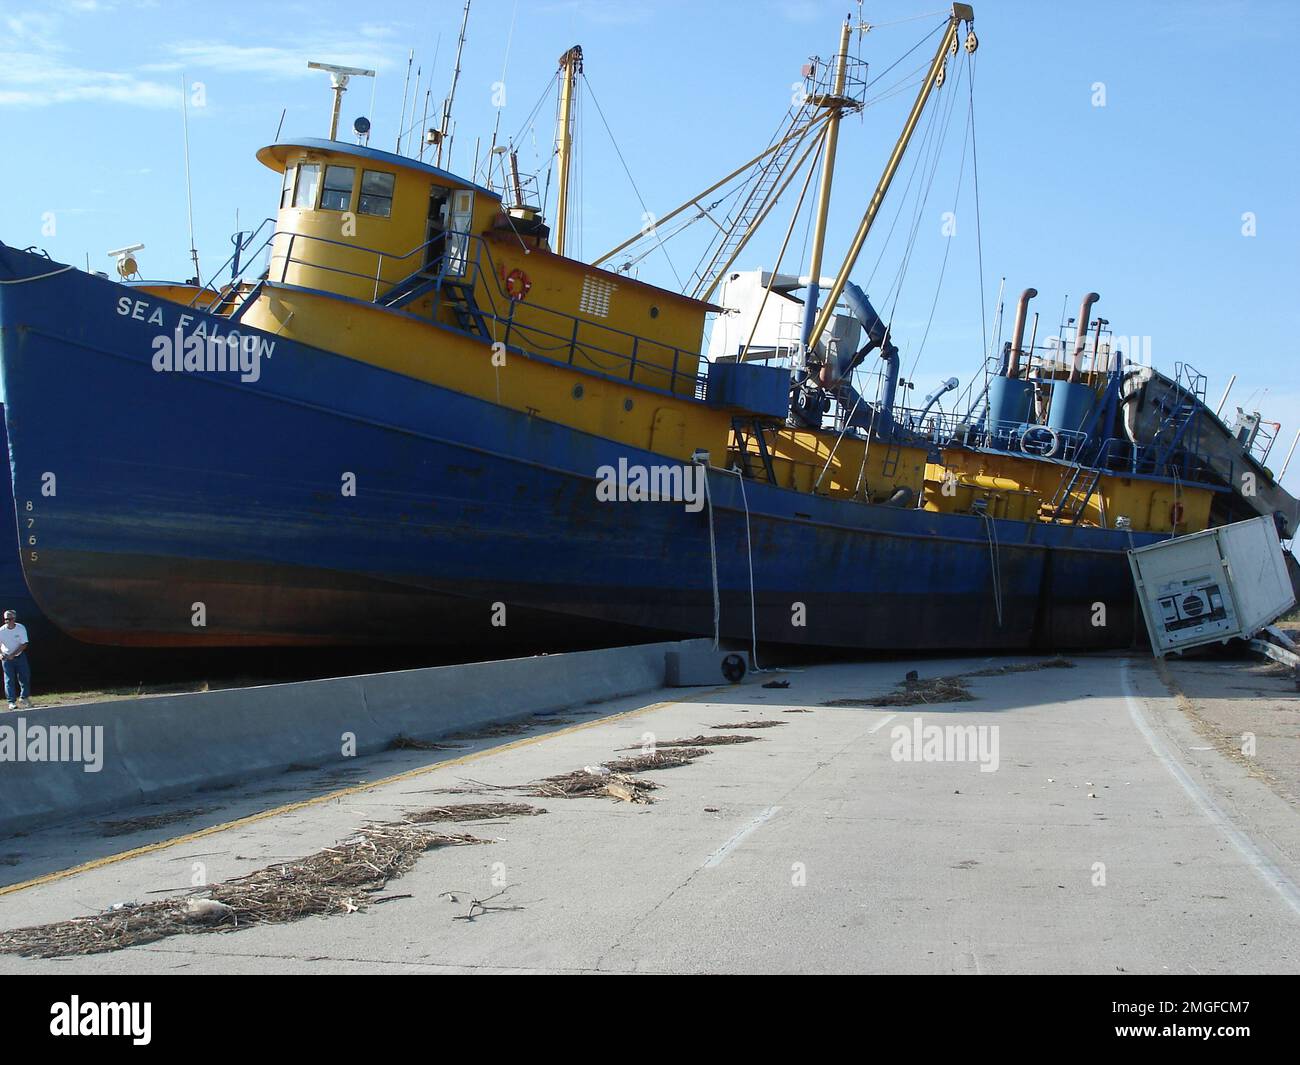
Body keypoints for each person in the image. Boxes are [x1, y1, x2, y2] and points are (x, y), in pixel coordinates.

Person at [0, 609, 31, 710]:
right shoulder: (1, 631)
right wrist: (1, 654)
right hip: (6, 658)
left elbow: (24, 643)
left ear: (14, 619)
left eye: (9, 619)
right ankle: (11, 702)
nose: (7, 621)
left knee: (25, 676)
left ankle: (24, 697)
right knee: (9, 680)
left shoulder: (20, 628)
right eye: (6, 619)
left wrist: (13, 654)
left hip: (19, 656)